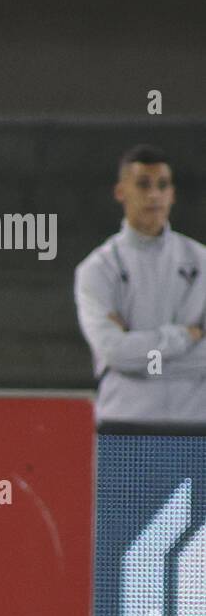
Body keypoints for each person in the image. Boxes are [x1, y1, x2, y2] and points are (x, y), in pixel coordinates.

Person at [74, 145, 206, 425]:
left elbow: (125, 357)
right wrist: (184, 337)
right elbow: (113, 351)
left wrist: (137, 356)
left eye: (162, 185)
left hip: (194, 427)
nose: (154, 195)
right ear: (121, 192)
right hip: (122, 425)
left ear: (172, 194)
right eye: (143, 185)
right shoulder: (98, 269)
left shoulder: (201, 261)